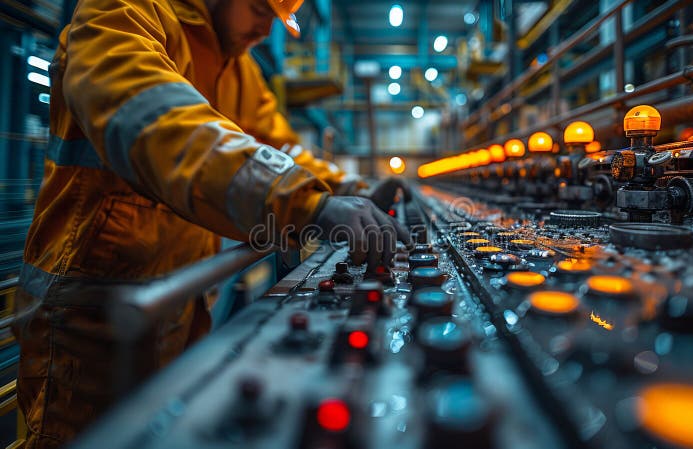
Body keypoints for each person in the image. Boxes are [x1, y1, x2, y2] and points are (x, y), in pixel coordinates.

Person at [12, 0, 408, 447]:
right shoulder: (123, 13)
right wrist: (306, 205)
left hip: (180, 305)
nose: (264, 29)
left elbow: (283, 149)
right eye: (260, 9)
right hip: (91, 317)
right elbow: (162, 127)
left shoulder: (238, 69)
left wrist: (350, 188)